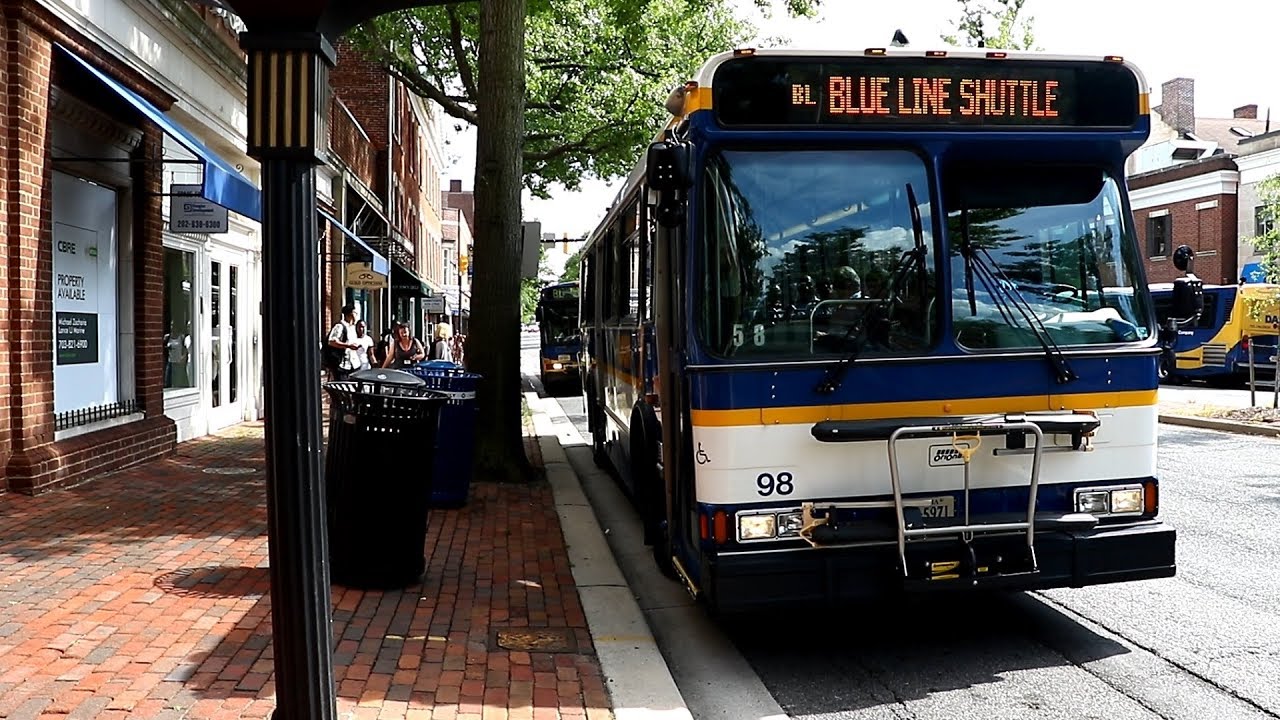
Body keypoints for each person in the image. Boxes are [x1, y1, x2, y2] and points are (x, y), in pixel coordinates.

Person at [326, 304, 363, 380]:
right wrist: (348, 346)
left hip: (354, 365)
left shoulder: (352, 328)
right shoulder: (340, 326)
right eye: (355, 313)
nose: (356, 315)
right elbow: (332, 341)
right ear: (351, 314)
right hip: (343, 366)